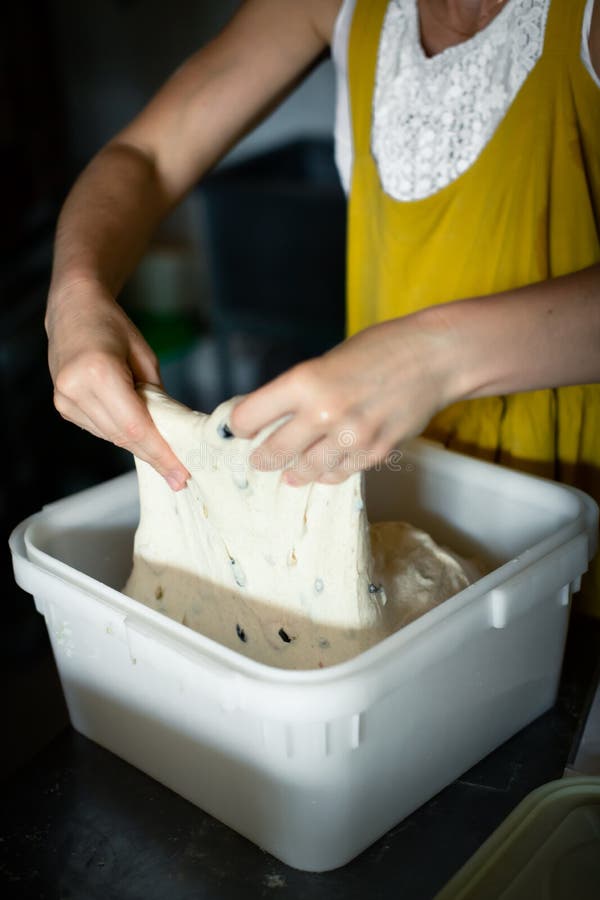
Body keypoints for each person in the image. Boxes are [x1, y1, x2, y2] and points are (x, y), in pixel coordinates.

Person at [46, 0, 600, 611]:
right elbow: (145, 159)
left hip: (578, 492)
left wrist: (438, 356)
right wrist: (75, 296)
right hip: (392, 472)